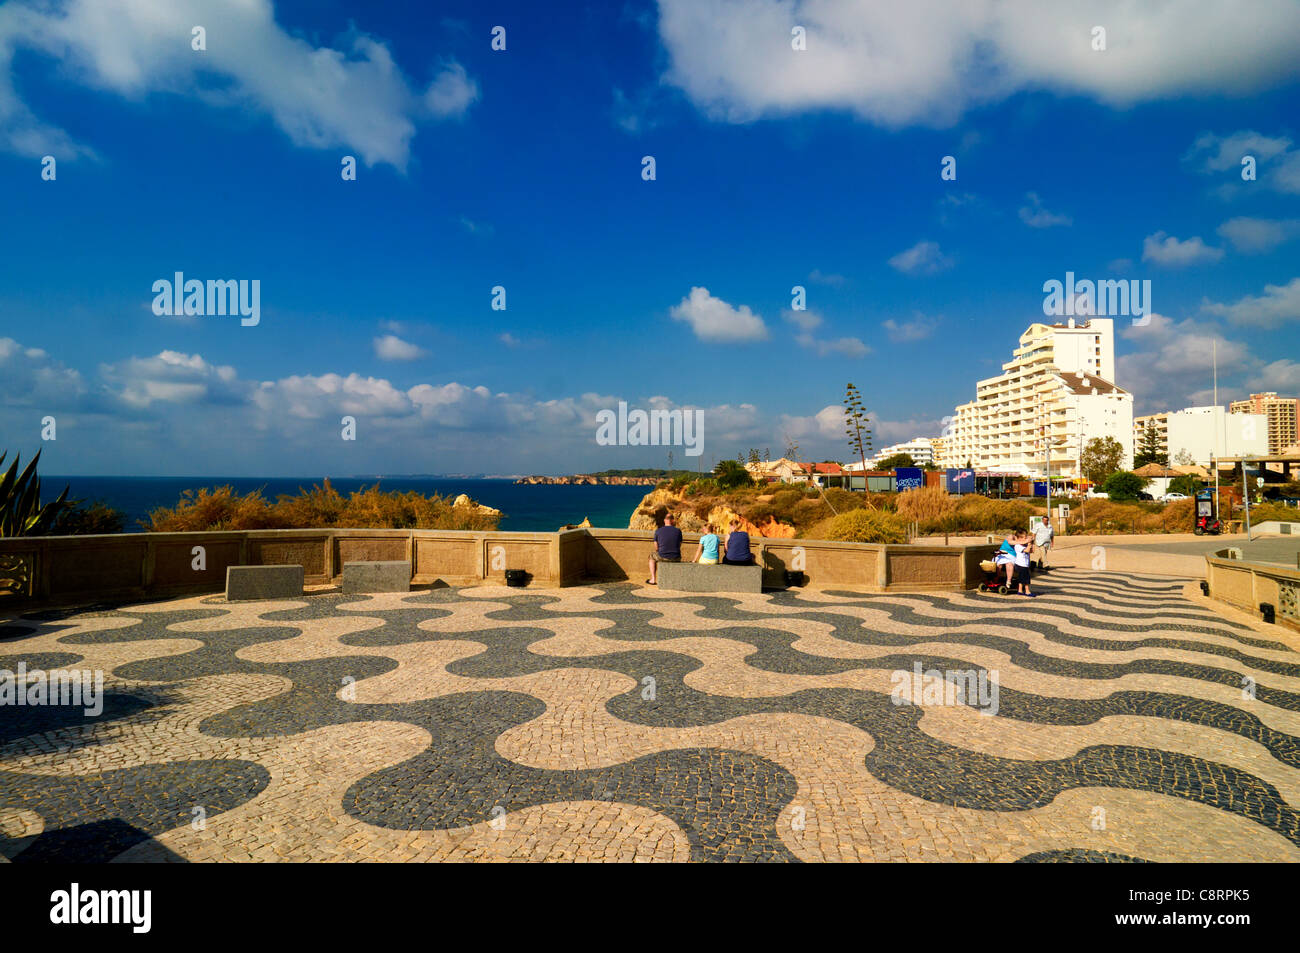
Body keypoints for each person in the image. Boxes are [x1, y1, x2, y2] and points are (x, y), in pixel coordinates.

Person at [646, 512, 682, 585]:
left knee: (651, 557)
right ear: (672, 521)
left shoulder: (658, 531)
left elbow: (656, 547)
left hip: (663, 556)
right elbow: (679, 545)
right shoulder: (678, 531)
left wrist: (662, 550)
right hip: (676, 557)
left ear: (664, 520)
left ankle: (653, 579)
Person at [1013, 532, 1035, 597]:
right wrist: (1029, 544)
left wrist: (1032, 544)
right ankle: (1027, 591)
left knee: (1021, 577)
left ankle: (1020, 590)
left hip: (1024, 564)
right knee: (1026, 578)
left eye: (1026, 538)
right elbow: (1027, 551)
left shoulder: (1024, 545)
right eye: (1024, 538)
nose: (1025, 539)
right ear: (1019, 539)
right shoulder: (1017, 546)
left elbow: (1032, 551)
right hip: (1020, 564)